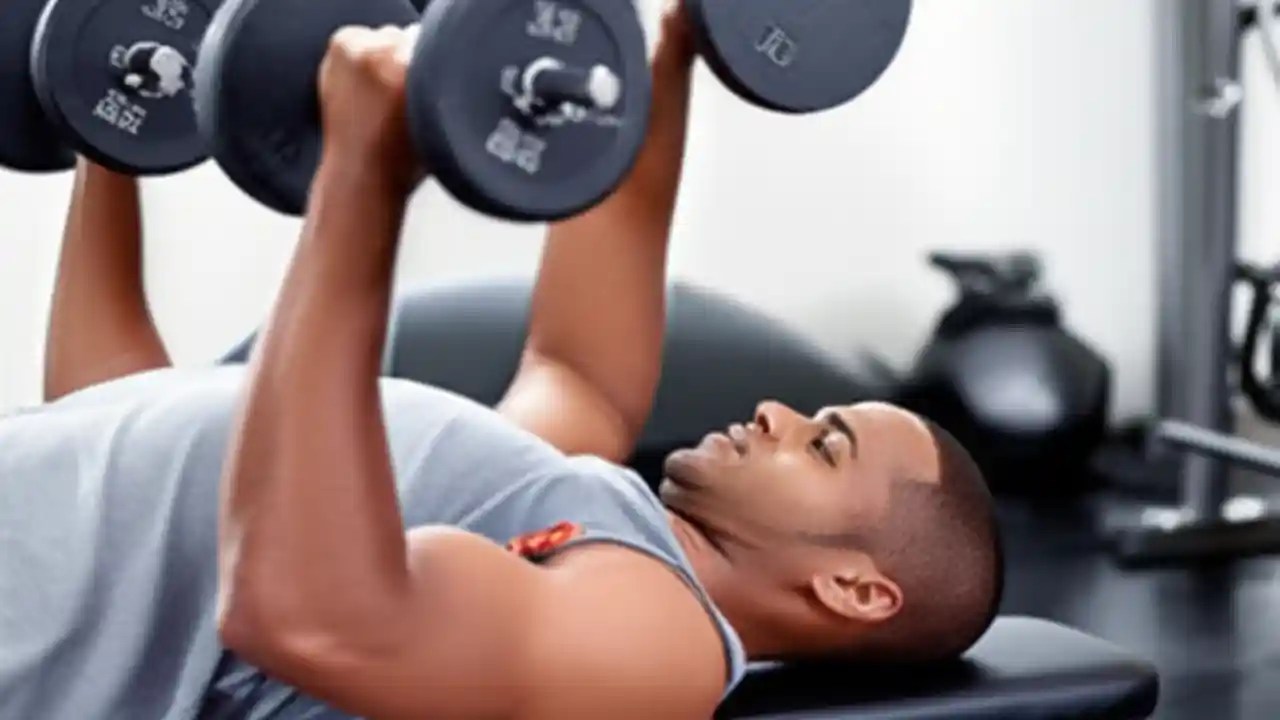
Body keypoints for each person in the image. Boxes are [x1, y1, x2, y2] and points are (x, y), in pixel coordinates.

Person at [0, 6, 1003, 720]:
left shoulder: (655, 643)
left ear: (854, 589)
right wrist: (667, 47)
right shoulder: (567, 504)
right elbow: (580, 367)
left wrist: (362, 181)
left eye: (824, 445)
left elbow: (310, 619)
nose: (782, 410)